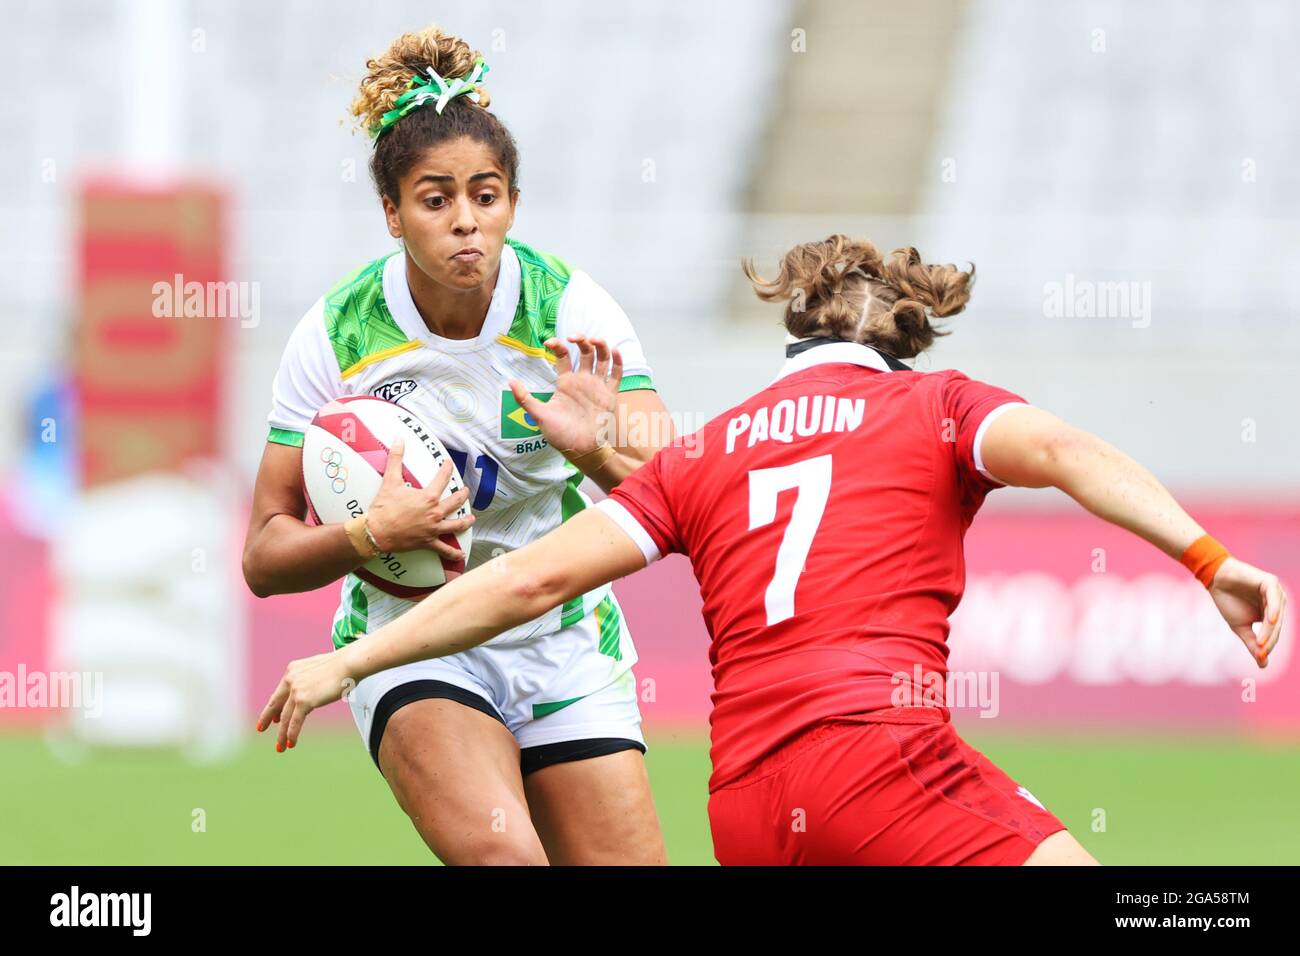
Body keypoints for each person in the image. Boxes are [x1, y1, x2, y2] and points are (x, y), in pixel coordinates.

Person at [258, 235, 1286, 865]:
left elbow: (526, 576)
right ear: (909, 339)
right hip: (883, 759)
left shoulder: (707, 449)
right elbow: (1060, 449)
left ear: (795, 337)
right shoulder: (933, 403)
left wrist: (343, 657)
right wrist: (1207, 557)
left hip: (747, 806)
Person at [242, 25, 673, 865]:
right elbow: (264, 555)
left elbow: (679, 492)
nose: (467, 223)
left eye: (488, 195)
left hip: (562, 640)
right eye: (436, 200)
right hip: (413, 641)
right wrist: (370, 535)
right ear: (393, 213)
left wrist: (594, 449)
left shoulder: (570, 313)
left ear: (513, 200)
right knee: (504, 857)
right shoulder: (336, 335)